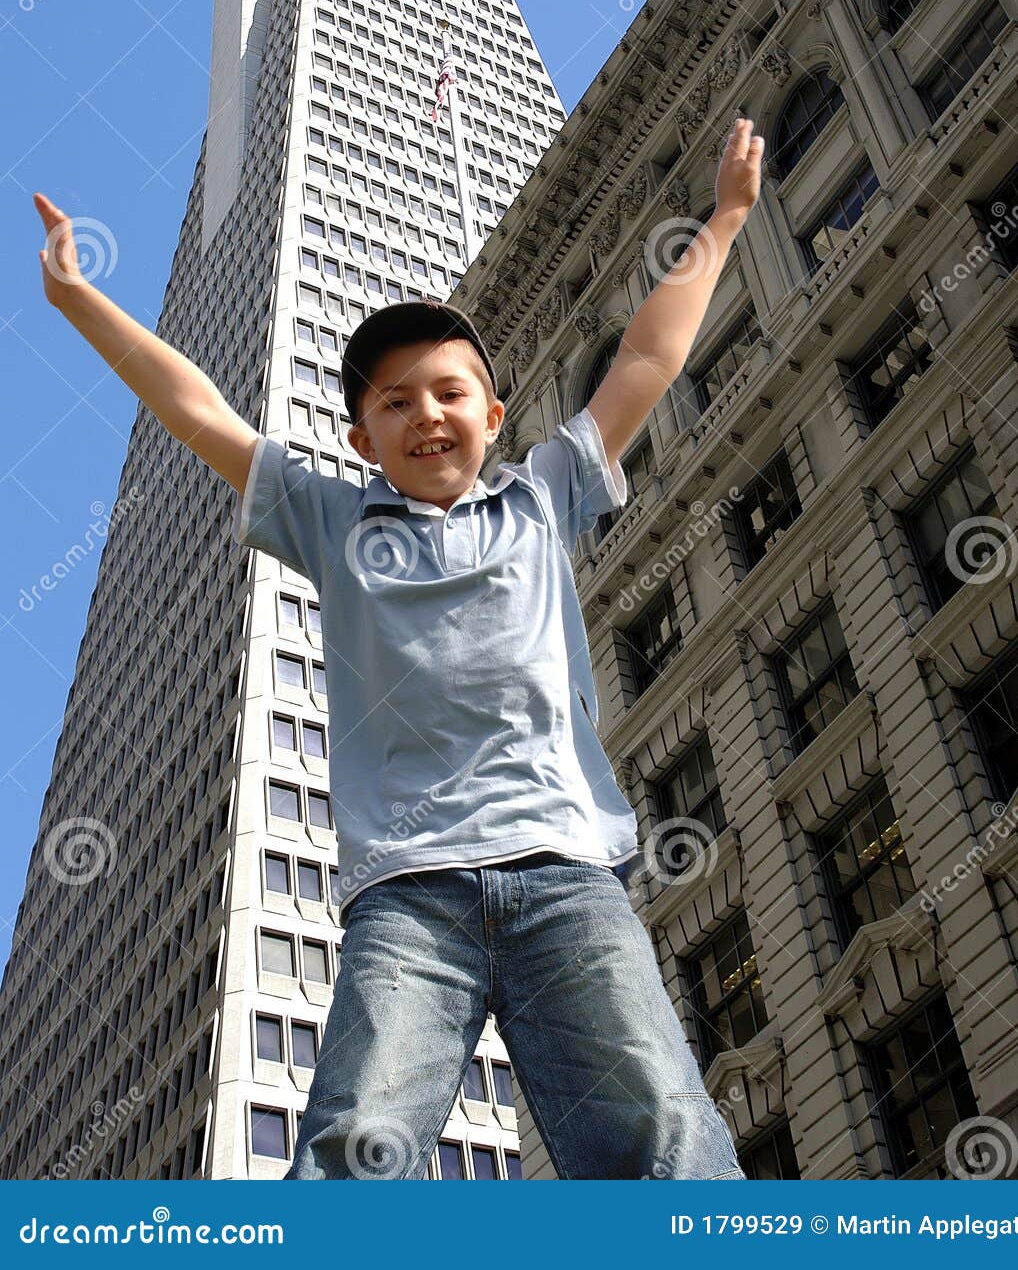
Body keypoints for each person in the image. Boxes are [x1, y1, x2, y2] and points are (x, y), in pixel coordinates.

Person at [34, 117, 764, 1180]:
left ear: (493, 413)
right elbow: (197, 413)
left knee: (658, 1126)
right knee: (355, 1141)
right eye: (394, 401)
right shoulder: (332, 521)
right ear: (359, 438)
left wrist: (728, 217)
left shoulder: (541, 492)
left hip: (562, 870)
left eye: (449, 391)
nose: (425, 413)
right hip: (408, 893)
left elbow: (647, 353)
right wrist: (82, 301)